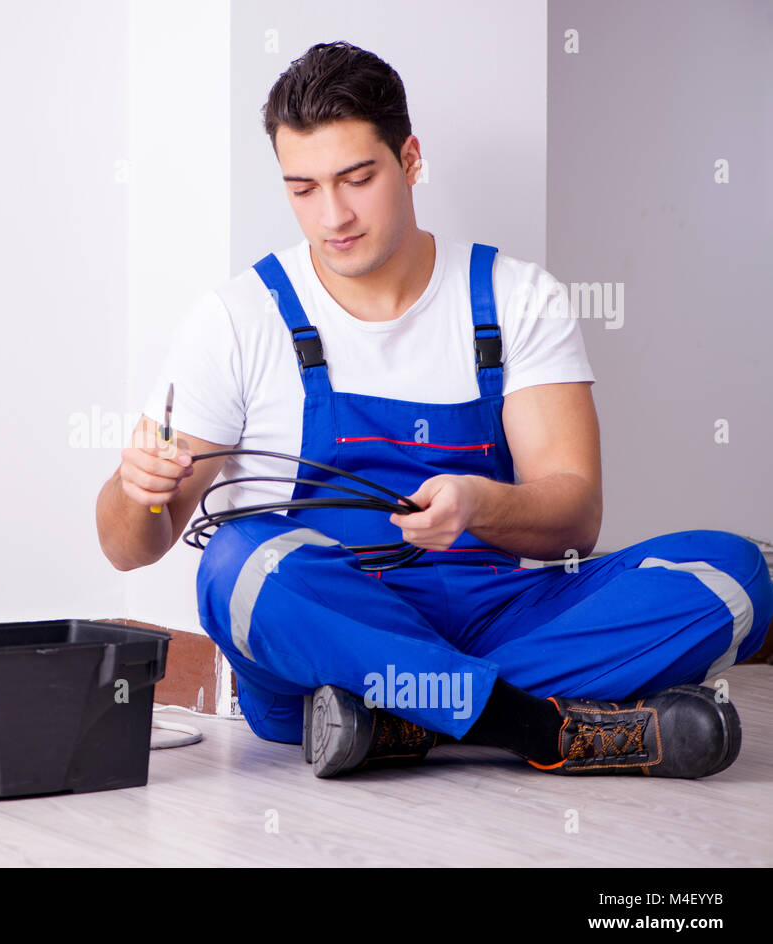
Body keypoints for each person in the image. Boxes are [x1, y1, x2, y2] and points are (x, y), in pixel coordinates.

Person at [94, 41, 772, 779]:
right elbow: (132, 549)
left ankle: (400, 720)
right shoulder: (238, 317)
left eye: (357, 178)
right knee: (239, 566)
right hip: (332, 621)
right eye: (304, 189)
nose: (333, 216)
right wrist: (136, 492)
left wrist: (479, 502)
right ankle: (532, 726)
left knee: (737, 572)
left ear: (410, 159)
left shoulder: (515, 298)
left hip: (495, 610)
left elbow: (576, 517)